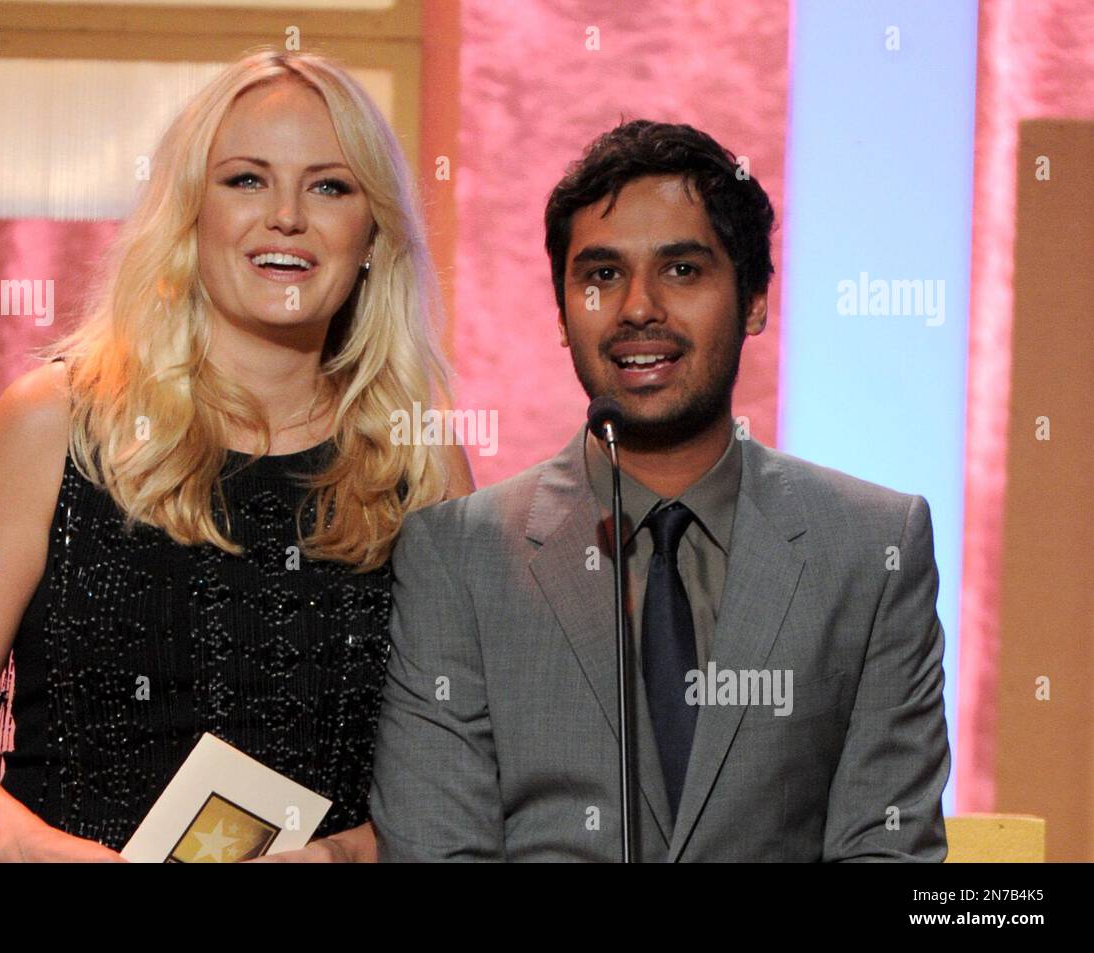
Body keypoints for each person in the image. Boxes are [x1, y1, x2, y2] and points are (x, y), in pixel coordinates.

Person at [0, 48, 472, 863]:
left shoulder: (416, 461)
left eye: (330, 185)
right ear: (188, 211)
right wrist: (32, 849)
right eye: (246, 179)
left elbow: (459, 770)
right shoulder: (52, 423)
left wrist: (345, 857)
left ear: (373, 231)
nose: (287, 217)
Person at [369, 120, 951, 862]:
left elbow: (886, 849)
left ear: (754, 301)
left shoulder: (875, 547)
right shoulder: (456, 555)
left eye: (682, 270)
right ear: (561, 312)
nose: (638, 307)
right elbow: (437, 850)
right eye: (602, 275)